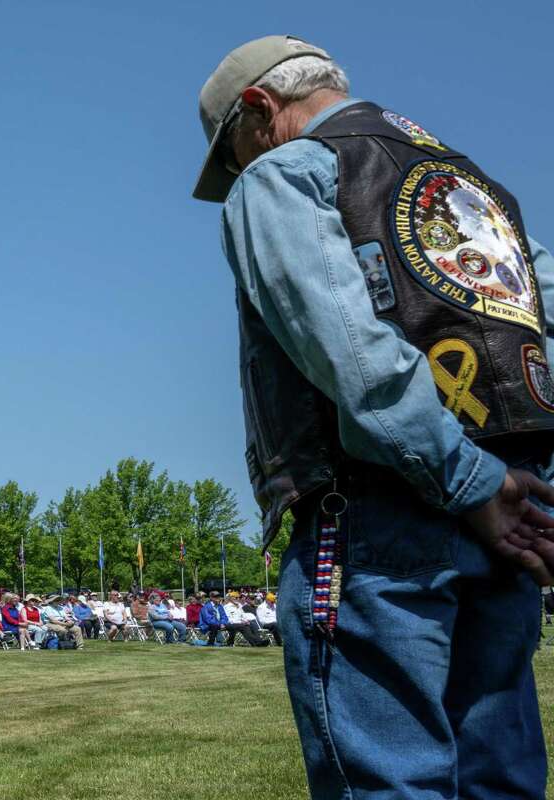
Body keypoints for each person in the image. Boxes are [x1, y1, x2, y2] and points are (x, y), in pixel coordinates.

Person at [195, 36, 554, 796]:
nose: (239, 174)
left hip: (379, 515)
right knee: (502, 781)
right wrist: (518, 487)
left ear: (258, 110)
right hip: (514, 516)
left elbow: (355, 358)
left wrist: (469, 483)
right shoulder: (479, 191)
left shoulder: (284, 176)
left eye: (232, 154)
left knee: (389, 784)